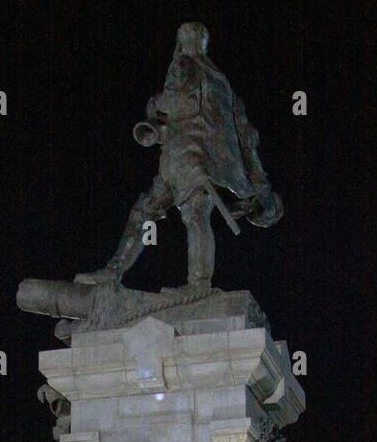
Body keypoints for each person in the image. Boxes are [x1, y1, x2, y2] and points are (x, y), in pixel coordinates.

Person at [77, 22, 282, 291]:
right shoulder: (225, 85)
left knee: (163, 212)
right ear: (205, 43)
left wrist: (154, 104)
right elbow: (246, 136)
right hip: (206, 163)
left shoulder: (183, 64)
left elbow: (181, 104)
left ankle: (183, 284)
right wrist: (257, 185)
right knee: (172, 212)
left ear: (181, 42)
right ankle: (189, 282)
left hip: (180, 158)